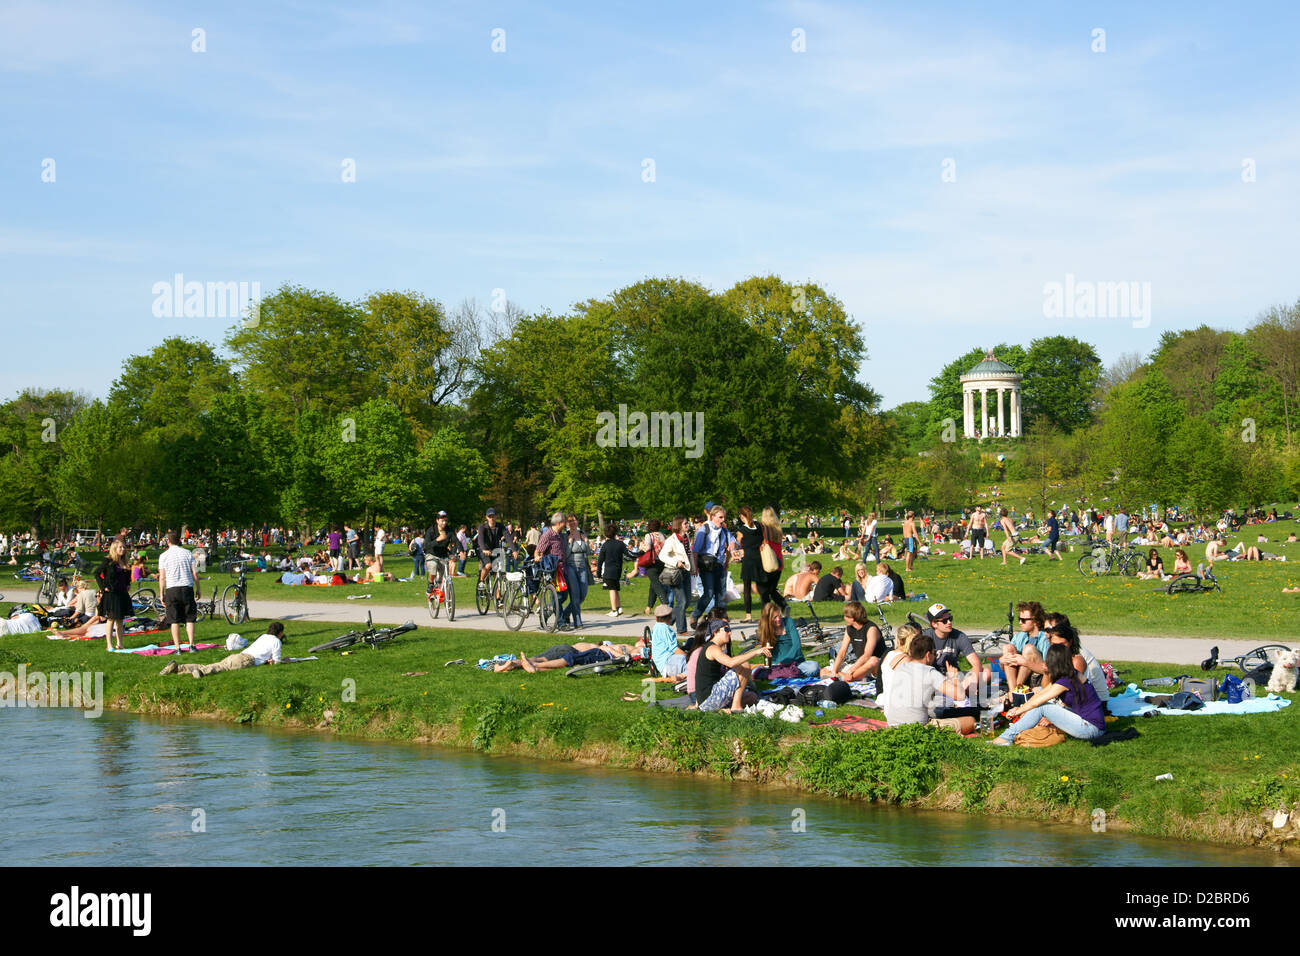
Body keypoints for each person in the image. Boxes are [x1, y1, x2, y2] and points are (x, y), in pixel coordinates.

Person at [992, 644, 1106, 745]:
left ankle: (1005, 738)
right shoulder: (1070, 674)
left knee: (1043, 708)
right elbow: (1041, 694)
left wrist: (1016, 712)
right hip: (1091, 725)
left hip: (1091, 728)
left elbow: (1038, 702)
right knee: (1041, 706)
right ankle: (1006, 737)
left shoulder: (1066, 681)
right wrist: (1020, 708)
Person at [880, 634, 972, 732]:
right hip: (917, 728)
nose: (935, 657)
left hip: (892, 725)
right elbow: (960, 696)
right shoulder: (930, 673)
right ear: (928, 655)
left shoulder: (901, 667)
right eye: (934, 653)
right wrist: (954, 678)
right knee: (969, 721)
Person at [692, 616, 771, 713]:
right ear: (715, 632)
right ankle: (736, 707)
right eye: (726, 630)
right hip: (709, 699)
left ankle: (723, 709)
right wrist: (755, 652)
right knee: (744, 664)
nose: (730, 633)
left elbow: (701, 679)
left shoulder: (712, 648)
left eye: (729, 630)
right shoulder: (712, 648)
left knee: (751, 697)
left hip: (708, 701)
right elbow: (731, 662)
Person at [161, 621, 288, 678]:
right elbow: (277, 661)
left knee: (215, 665)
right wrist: (283, 661)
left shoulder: (263, 636)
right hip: (247, 660)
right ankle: (201, 673)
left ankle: (178, 668)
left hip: (239, 655)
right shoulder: (276, 641)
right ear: (280, 633)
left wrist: (267, 661)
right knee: (221, 668)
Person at [1045, 612, 1109, 703]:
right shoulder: (1058, 653)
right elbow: (1048, 687)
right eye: (1046, 630)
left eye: (1050, 630)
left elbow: (1067, 689)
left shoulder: (1077, 659)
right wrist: (1046, 673)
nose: (1047, 633)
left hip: (1095, 702)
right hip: (1068, 699)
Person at [690, 505, 737, 628]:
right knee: (709, 593)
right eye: (720, 517)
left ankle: (719, 621)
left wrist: (733, 546)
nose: (723, 520)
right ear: (712, 516)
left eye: (724, 517)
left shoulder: (724, 530)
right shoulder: (704, 530)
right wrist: (694, 567)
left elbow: (733, 541)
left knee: (721, 595)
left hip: (719, 565)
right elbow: (695, 551)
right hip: (706, 566)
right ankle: (695, 615)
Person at [921, 603, 982, 696]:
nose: (949, 622)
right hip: (934, 677)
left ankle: (960, 692)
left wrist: (969, 684)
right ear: (934, 624)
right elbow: (919, 665)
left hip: (955, 676)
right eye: (944, 621)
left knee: (986, 673)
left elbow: (976, 663)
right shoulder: (926, 637)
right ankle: (958, 694)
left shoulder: (959, 636)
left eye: (950, 618)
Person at [157, 531, 200, 652]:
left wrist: (161, 593)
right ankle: (191, 645)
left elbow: (162, 577)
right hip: (187, 587)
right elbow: (194, 573)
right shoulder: (187, 553)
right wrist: (198, 588)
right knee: (189, 618)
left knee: (174, 619)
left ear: (168, 541)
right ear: (179, 540)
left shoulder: (163, 556)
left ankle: (177, 647)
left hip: (172, 588)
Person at [755, 601, 820, 678]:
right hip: (777, 665)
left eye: (779, 615)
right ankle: (789, 673)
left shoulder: (788, 622)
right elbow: (767, 653)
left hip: (796, 663)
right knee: (755, 671)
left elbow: (796, 646)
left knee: (814, 666)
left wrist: (784, 662)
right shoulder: (766, 630)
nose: (778, 619)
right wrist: (772, 665)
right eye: (774, 617)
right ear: (768, 619)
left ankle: (785, 673)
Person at [822, 601, 885, 680]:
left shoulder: (871, 629)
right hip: (859, 663)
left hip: (874, 665)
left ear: (852, 618)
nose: (844, 618)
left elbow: (867, 655)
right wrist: (834, 671)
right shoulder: (849, 628)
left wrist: (850, 670)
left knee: (873, 660)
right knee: (823, 671)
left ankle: (847, 677)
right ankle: (850, 677)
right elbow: (842, 652)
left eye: (846, 616)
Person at [999, 601, 1049, 691]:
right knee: (1008, 648)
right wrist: (1001, 661)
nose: (1020, 622)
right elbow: (1007, 668)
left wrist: (1025, 662)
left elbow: (1049, 670)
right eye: (1019, 619)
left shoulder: (1045, 639)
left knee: (1028, 649)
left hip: (1038, 678)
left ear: (1035, 621)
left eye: (1023, 620)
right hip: (1019, 677)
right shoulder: (1019, 636)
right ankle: (1013, 691)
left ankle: (1016, 691)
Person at [94, 540, 132, 652]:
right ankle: (109, 644)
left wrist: (128, 584)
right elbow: (97, 573)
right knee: (111, 619)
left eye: (123, 547)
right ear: (114, 548)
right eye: (120, 547)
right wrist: (103, 587)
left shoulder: (124, 561)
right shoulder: (108, 561)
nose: (122, 549)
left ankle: (120, 644)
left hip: (122, 593)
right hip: (111, 593)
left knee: (120, 619)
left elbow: (127, 576)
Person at [630, 519, 669, 616]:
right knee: (653, 585)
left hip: (652, 562)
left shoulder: (649, 535)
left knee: (656, 584)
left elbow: (647, 548)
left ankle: (665, 604)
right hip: (662, 562)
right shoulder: (663, 535)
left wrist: (641, 547)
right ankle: (648, 607)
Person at [735, 506, 764, 622]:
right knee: (761, 587)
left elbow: (737, 544)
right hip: (759, 558)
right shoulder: (759, 526)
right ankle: (764, 614)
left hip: (748, 559)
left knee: (747, 588)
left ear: (742, 516)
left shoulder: (742, 530)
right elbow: (763, 540)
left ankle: (748, 615)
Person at [595, 522, 630, 617]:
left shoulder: (605, 545)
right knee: (615, 588)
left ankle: (614, 610)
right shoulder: (620, 544)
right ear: (615, 533)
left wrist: (598, 574)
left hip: (609, 571)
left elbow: (600, 561)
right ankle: (619, 608)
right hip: (618, 570)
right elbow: (629, 554)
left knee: (611, 590)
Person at [564, 514, 591, 628]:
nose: (572, 523)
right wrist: (570, 543)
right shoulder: (565, 535)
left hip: (582, 567)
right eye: (570, 521)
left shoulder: (582, 533)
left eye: (574, 520)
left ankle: (565, 613)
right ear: (567, 523)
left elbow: (588, 551)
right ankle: (577, 622)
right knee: (575, 595)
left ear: (577, 521)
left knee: (583, 594)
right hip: (570, 566)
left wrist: (586, 541)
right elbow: (565, 555)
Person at [647, 604, 688, 677]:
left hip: (661, 664)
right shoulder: (665, 629)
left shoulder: (656, 626)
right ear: (670, 617)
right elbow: (675, 650)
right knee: (692, 663)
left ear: (656, 618)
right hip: (668, 664)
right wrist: (689, 657)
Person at [475, 508, 504, 588]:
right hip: (484, 550)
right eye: (489, 516)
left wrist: (514, 550)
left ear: (496, 516)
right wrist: (484, 549)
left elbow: (507, 536)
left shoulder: (500, 526)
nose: (492, 518)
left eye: (493, 516)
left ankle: (497, 595)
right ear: (486, 517)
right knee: (488, 565)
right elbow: (480, 539)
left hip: (495, 550)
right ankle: (481, 581)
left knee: (497, 572)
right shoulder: (482, 527)